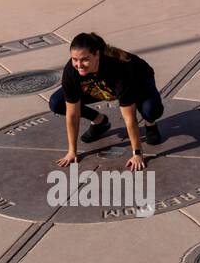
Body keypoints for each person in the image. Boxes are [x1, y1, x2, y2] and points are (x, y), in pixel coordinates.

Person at [52, 32, 164, 173]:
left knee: (151, 110)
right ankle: (99, 121)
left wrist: (137, 154)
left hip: (137, 81)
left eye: (85, 59)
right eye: (75, 59)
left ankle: (150, 124)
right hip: (100, 87)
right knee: (57, 102)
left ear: (97, 54)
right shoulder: (71, 71)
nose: (79, 65)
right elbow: (72, 114)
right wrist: (71, 151)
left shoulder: (119, 69)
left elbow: (129, 117)